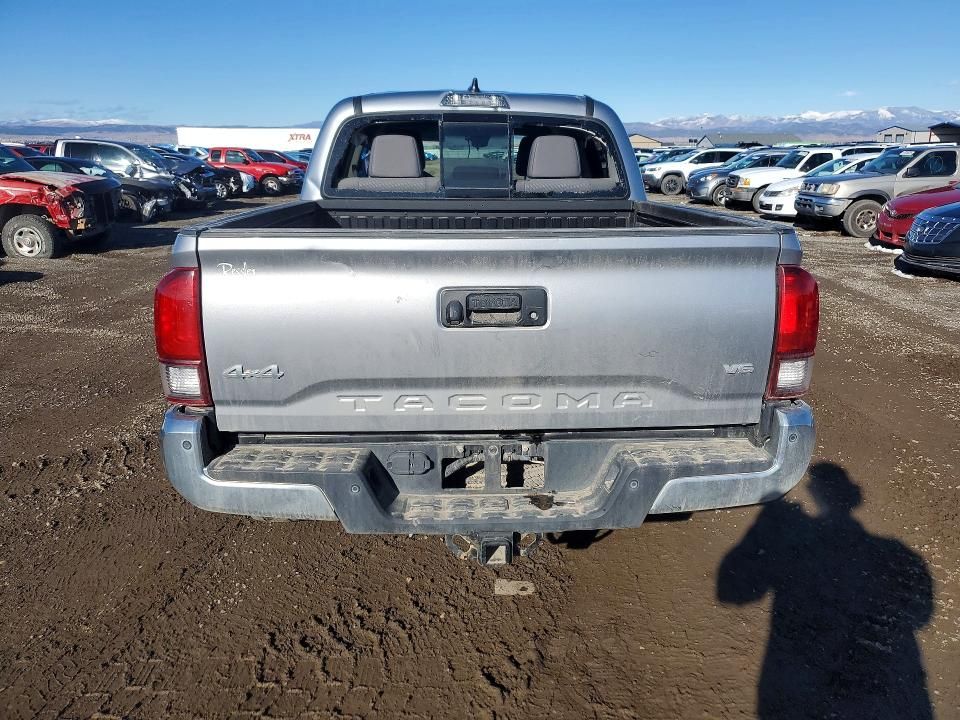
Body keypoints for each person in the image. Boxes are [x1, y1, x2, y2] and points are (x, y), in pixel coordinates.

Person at [717, 462, 933, 719]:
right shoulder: (895, 552)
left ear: (814, 493)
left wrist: (764, 524)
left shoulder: (797, 546)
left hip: (797, 686)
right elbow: (921, 614)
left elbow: (732, 590)